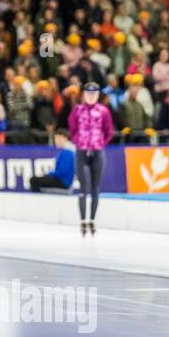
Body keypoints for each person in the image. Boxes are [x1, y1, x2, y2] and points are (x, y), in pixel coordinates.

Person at [68, 81, 114, 236]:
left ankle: (92, 220)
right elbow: (72, 129)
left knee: (95, 188)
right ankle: (82, 221)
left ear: (98, 95)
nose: (91, 96)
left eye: (94, 94)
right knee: (84, 186)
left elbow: (109, 131)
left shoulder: (103, 111)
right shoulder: (77, 110)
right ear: (84, 94)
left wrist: (100, 144)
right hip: (81, 152)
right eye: (88, 93)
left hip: (97, 152)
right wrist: (79, 142)